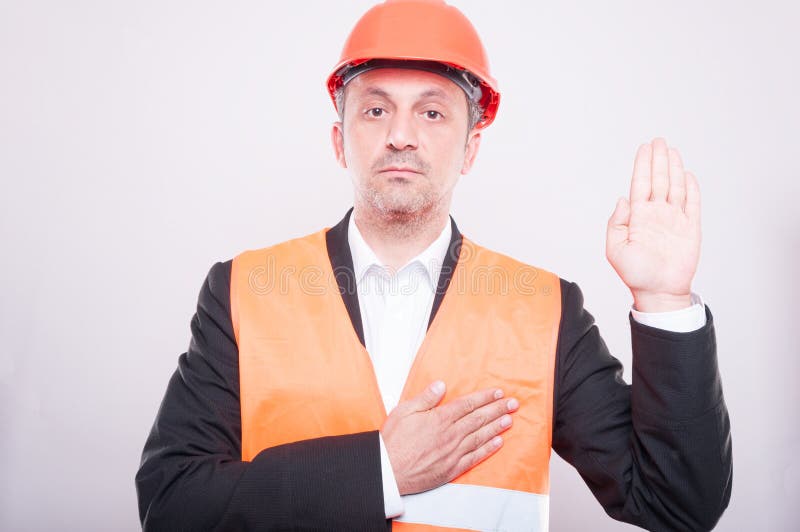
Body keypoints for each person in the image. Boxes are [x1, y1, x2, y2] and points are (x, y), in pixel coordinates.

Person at [135, 1, 732, 530]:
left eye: (432, 113)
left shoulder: (545, 310)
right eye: (375, 111)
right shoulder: (244, 291)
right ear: (340, 140)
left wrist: (664, 301)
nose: (400, 136)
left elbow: (676, 503)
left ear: (470, 147)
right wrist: (380, 470)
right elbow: (170, 504)